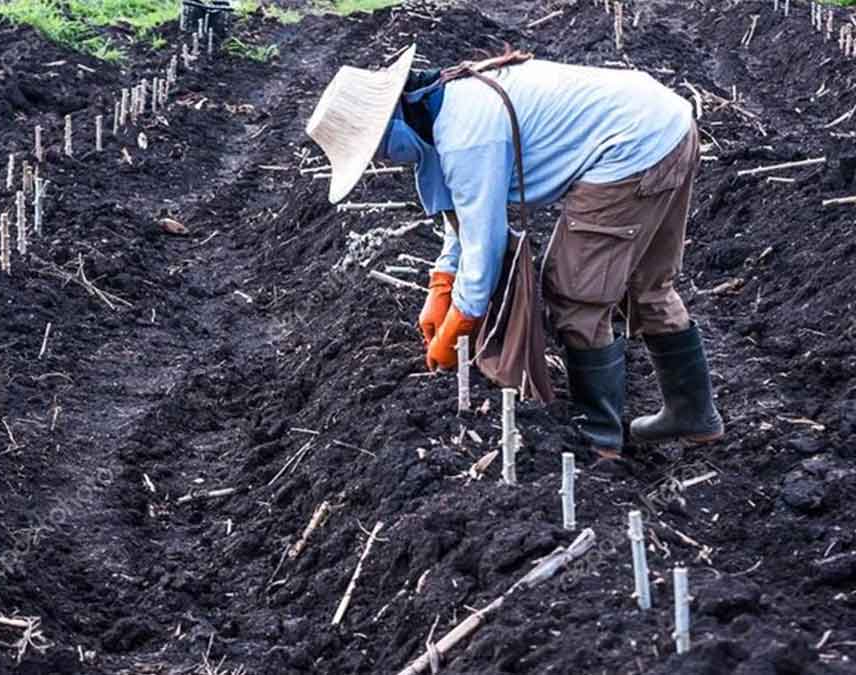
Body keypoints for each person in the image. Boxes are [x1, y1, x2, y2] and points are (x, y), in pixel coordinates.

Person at [305, 44, 723, 461]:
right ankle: (693, 415)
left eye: (378, 151)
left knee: (575, 295)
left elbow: (485, 243)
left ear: (390, 124)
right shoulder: (446, 96)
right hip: (666, 124)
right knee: (648, 285)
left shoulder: (467, 137)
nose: (384, 161)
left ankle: (600, 441)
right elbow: (466, 211)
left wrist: (460, 324)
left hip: (630, 150)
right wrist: (442, 280)